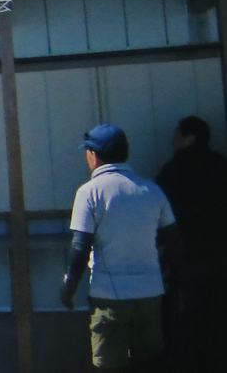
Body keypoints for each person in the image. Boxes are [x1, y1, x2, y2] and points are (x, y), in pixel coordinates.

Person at [59, 123, 180, 371]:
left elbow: (80, 245)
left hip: (109, 295)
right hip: (150, 293)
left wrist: (69, 287)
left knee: (110, 365)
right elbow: (173, 238)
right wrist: (173, 279)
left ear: (94, 156)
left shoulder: (89, 192)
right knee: (148, 361)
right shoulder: (152, 190)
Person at [155, 115, 227, 370]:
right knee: (218, 316)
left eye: (177, 134)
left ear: (190, 139)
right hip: (221, 255)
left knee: (185, 318)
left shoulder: (172, 171)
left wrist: (161, 250)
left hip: (186, 257)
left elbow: (160, 216)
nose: (172, 139)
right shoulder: (221, 166)